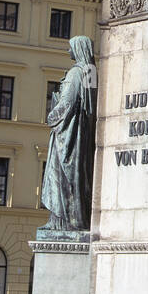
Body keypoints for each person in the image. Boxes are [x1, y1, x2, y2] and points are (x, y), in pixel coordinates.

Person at [40, 36, 97, 236]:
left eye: (70, 47)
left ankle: (60, 221)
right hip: (82, 133)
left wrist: (51, 116)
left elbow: (67, 103)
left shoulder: (75, 73)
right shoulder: (91, 72)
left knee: (59, 174)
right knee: (77, 178)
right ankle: (76, 218)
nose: (68, 51)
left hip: (67, 134)